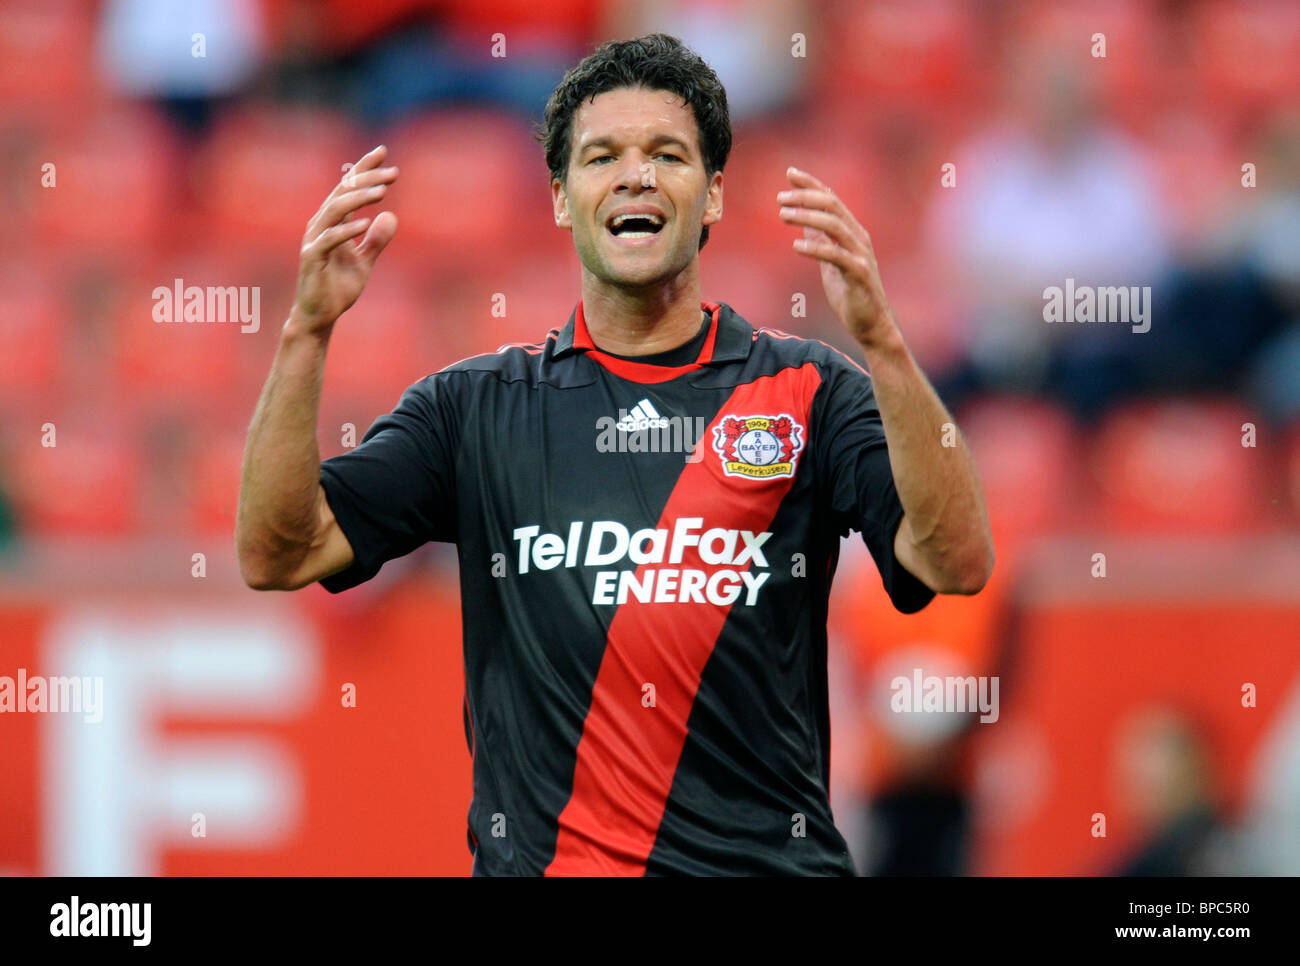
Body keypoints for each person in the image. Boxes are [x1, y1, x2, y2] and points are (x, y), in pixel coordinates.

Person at [235, 34, 994, 876]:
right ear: (562, 200)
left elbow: (955, 560)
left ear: (710, 198)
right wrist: (306, 330)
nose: (636, 175)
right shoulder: (475, 409)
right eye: (602, 157)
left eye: (668, 154)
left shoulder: (810, 391)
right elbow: (279, 552)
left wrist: (885, 346)